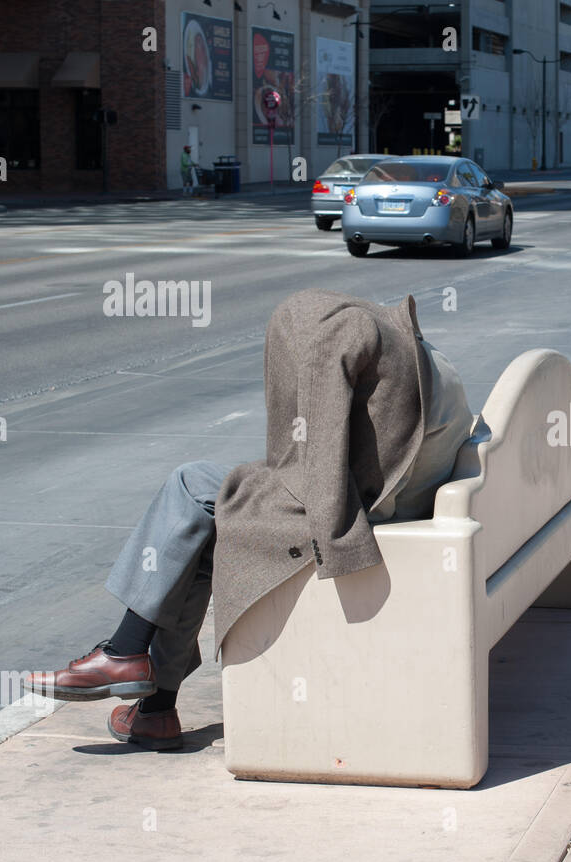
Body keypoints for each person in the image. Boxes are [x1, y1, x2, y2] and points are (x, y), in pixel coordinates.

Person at [23, 290, 476, 751]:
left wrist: (316, 530)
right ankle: (151, 703)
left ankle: (129, 661)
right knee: (210, 516)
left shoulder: (331, 343)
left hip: (368, 518)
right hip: (412, 502)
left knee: (191, 486)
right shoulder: (402, 344)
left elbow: (317, 469)